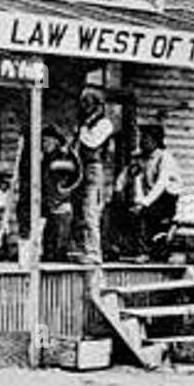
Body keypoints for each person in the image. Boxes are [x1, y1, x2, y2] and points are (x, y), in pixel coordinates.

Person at [71, 82, 118, 263]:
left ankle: (94, 252)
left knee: (90, 210)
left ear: (97, 106)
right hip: (80, 167)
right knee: (80, 210)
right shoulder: (88, 123)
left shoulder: (104, 123)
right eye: (83, 104)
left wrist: (82, 130)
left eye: (88, 104)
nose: (85, 108)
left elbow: (91, 142)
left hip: (92, 168)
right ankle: (83, 248)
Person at [130, 124, 182, 258]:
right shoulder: (141, 158)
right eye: (141, 138)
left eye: (146, 139)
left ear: (156, 141)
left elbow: (161, 184)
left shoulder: (165, 158)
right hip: (152, 198)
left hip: (167, 200)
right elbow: (138, 180)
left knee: (143, 214)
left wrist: (144, 204)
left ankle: (144, 252)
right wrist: (138, 201)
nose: (142, 142)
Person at [40, 126, 79, 262]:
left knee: (60, 243)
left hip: (61, 205)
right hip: (50, 206)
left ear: (55, 142)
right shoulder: (45, 160)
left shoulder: (62, 158)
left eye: (46, 141)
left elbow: (74, 175)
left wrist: (62, 193)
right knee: (49, 242)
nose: (43, 145)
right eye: (42, 142)